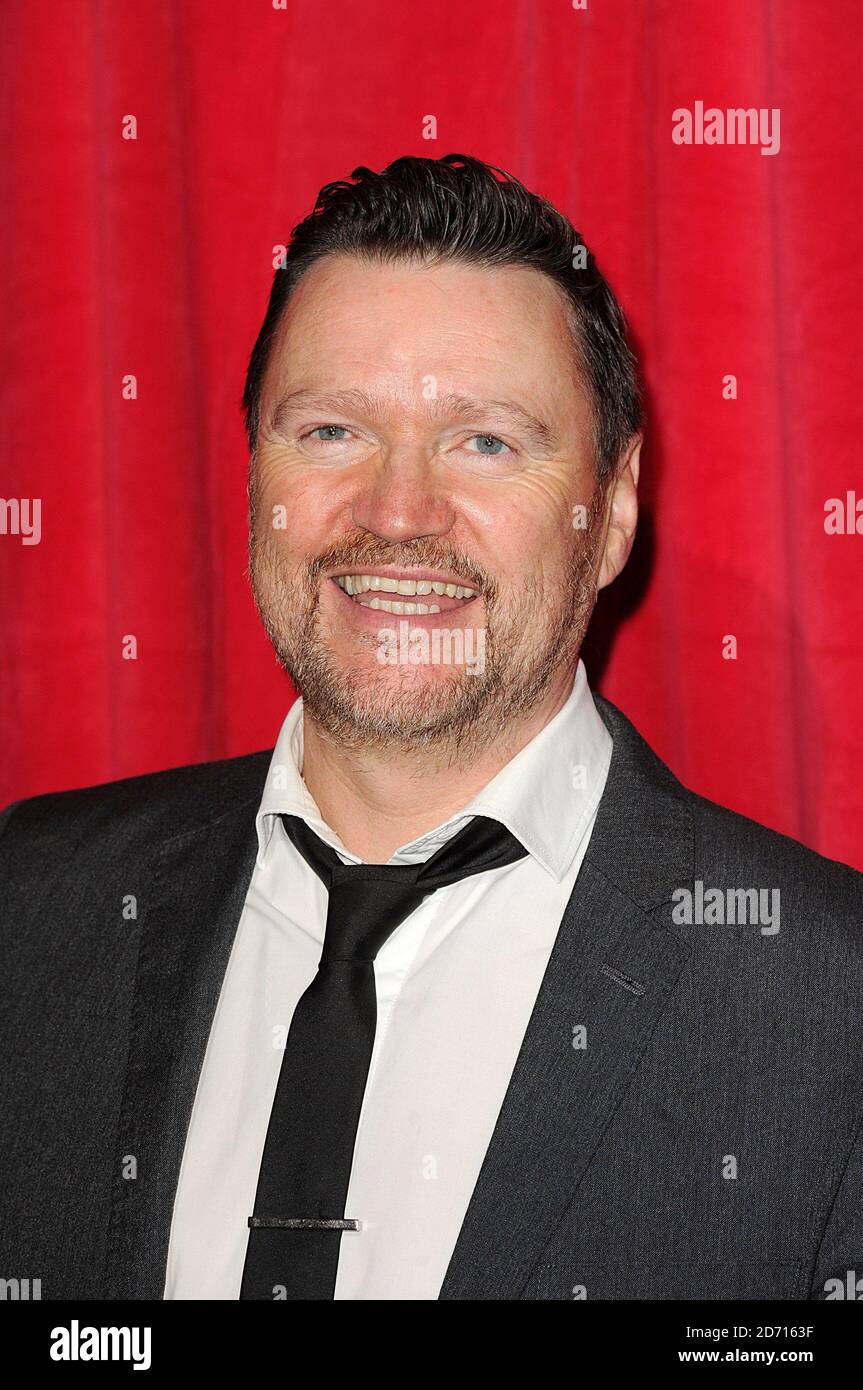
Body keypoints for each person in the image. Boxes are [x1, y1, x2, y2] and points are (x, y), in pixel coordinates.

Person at [1, 155, 861, 1302]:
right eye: (329, 431)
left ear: (606, 514)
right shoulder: (32, 909)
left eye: (485, 442)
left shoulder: (826, 1007)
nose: (397, 512)